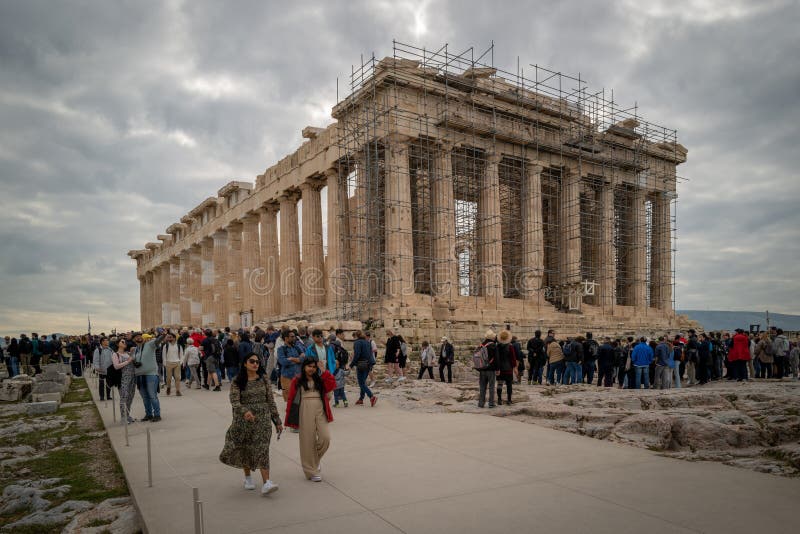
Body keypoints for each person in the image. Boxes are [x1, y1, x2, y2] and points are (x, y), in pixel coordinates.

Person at [219, 353, 283, 495]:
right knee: (246, 448)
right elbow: (234, 401)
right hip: (245, 421)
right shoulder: (237, 381)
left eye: (257, 362)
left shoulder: (264, 379)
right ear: (245, 363)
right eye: (252, 361)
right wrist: (244, 411)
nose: (255, 364)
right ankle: (248, 477)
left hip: (263, 420)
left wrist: (277, 420)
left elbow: (271, 401)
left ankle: (266, 482)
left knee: (262, 449)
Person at [285, 358, 336, 481]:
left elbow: (332, 385)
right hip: (304, 409)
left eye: (314, 367)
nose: (311, 369)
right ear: (304, 367)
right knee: (307, 441)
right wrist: (290, 416)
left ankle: (314, 460)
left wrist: (324, 371)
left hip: (320, 409)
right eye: (309, 366)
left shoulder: (320, 379)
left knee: (325, 438)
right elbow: (291, 398)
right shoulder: (297, 380)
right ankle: (311, 471)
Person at [133, 330, 166, 422]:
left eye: (140, 335)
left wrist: (163, 335)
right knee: (145, 397)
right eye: (136, 336)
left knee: (152, 396)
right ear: (133, 339)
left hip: (151, 375)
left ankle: (157, 415)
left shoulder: (150, 344)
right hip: (139, 376)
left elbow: (157, 341)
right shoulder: (135, 350)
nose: (138, 337)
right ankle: (148, 414)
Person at [350, 330, 378, 406]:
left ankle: (372, 397)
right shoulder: (367, 342)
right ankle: (361, 399)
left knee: (361, 383)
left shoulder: (357, 343)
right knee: (363, 382)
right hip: (369, 364)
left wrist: (351, 365)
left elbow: (357, 355)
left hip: (362, 364)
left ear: (356, 336)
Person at [112, 339, 136, 424]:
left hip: (132, 379)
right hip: (123, 379)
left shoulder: (128, 353)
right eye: (122, 342)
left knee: (130, 397)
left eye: (125, 342)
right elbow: (116, 366)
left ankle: (127, 415)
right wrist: (128, 361)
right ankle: (123, 417)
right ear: (117, 344)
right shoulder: (115, 354)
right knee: (124, 397)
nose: (124, 343)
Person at [277, 330, 303, 402]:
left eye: (294, 336)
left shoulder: (297, 348)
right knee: (289, 400)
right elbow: (283, 362)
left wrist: (292, 359)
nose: (294, 338)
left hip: (298, 376)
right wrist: (297, 360)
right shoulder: (281, 349)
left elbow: (304, 358)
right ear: (286, 338)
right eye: (292, 337)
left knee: (299, 399)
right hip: (287, 377)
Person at [477, 330, 498, 408]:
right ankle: (491, 403)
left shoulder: (481, 345)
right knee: (491, 387)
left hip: (482, 368)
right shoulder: (493, 345)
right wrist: (497, 369)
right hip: (491, 369)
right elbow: (496, 358)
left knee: (482, 387)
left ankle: (481, 403)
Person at [495, 330, 517, 405]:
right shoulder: (510, 346)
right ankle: (509, 400)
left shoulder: (497, 346)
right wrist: (515, 368)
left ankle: (499, 399)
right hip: (508, 369)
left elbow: (496, 358)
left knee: (499, 384)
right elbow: (513, 358)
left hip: (500, 369)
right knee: (509, 385)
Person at [92, 337, 114, 401]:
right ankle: (102, 396)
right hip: (102, 370)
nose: (107, 341)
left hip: (110, 370)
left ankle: (108, 395)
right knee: (101, 383)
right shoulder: (98, 350)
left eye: (107, 340)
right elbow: (95, 360)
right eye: (106, 340)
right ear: (102, 342)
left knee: (109, 383)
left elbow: (113, 358)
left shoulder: (110, 349)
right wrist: (97, 368)